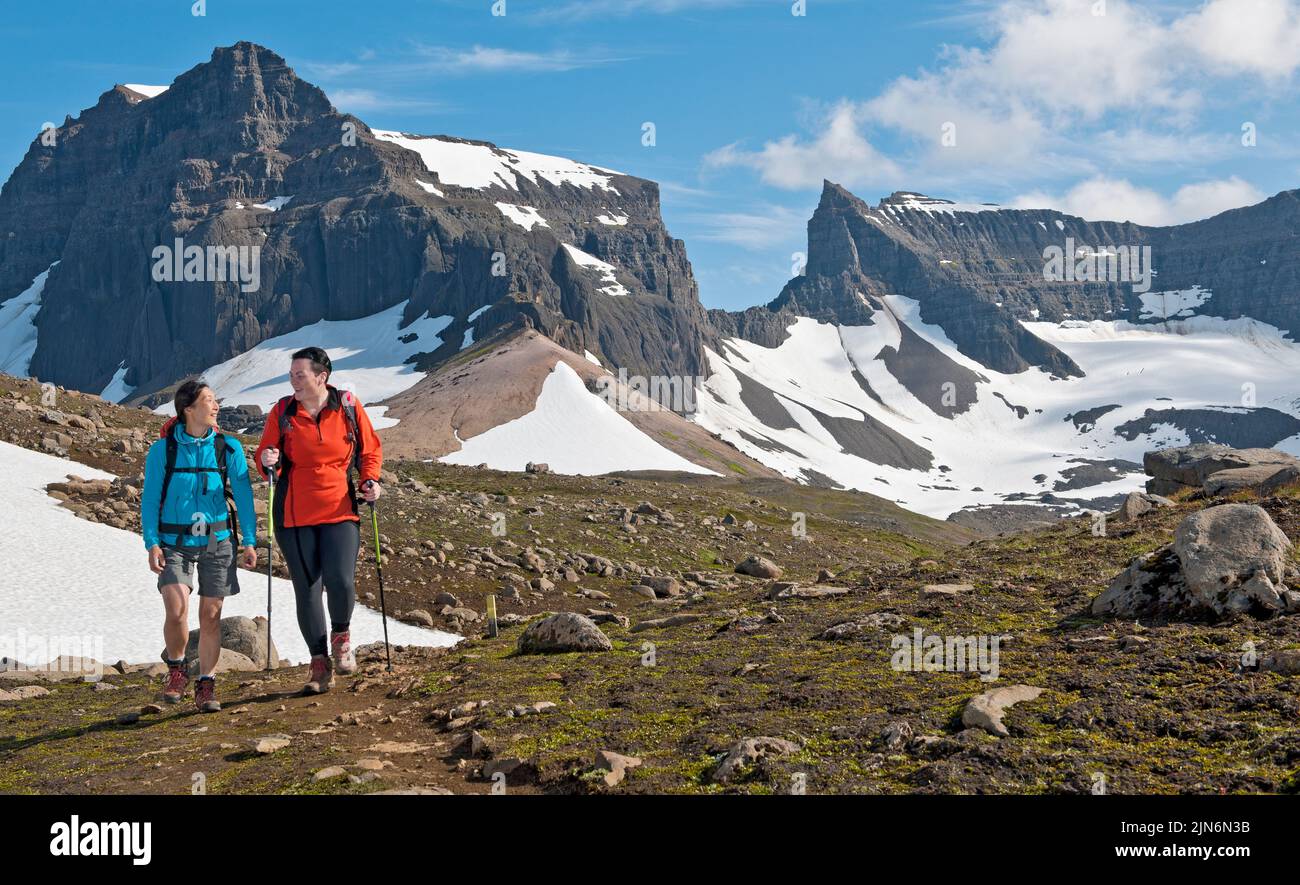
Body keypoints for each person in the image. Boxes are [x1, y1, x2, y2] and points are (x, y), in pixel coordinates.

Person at [255, 347, 383, 694]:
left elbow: (369, 450)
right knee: (307, 589)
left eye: (300, 374)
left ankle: (341, 638)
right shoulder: (282, 411)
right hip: (294, 516)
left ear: (321, 377)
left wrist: (370, 481)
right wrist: (267, 459)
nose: (293, 380)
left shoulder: (348, 407)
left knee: (340, 580)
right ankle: (318, 664)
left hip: (340, 510)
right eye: (291, 374)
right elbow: (267, 458)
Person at [142, 380, 258, 713]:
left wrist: (249, 541)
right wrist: (152, 543)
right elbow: (150, 499)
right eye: (209, 400)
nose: (216, 405)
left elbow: (245, 498)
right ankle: (177, 669)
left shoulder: (229, 448)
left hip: (217, 541)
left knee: (211, 616)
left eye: (215, 399)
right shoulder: (162, 450)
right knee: (176, 609)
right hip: (173, 542)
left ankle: (206, 685)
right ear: (188, 409)